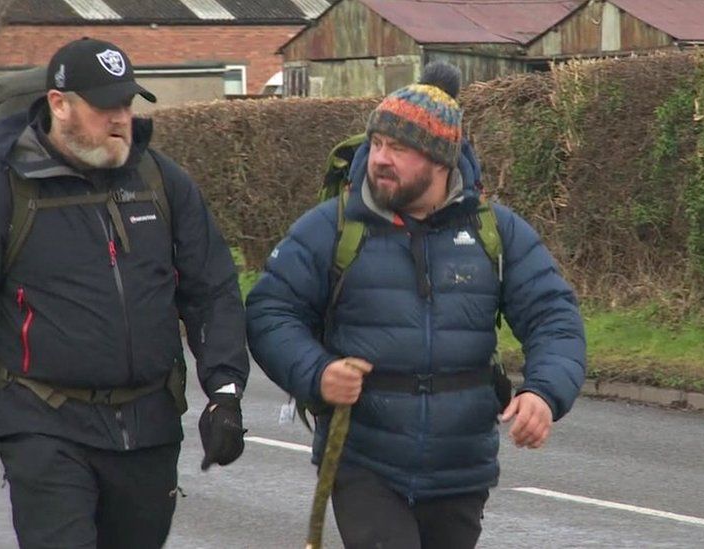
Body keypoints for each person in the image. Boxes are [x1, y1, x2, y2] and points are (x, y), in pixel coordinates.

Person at [0, 37, 249, 548]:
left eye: (126, 103)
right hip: (43, 424)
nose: (120, 117)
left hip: (148, 427)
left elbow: (213, 287)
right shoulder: (1, 193)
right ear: (59, 104)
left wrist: (224, 393)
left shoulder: (162, 181)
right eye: (104, 105)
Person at [245, 62, 586, 548]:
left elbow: (555, 317)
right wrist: (317, 373)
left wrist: (544, 393)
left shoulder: (495, 231)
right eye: (378, 144)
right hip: (363, 461)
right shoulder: (334, 226)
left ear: (440, 160)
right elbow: (269, 310)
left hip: (460, 468)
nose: (380, 158)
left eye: (399, 148)